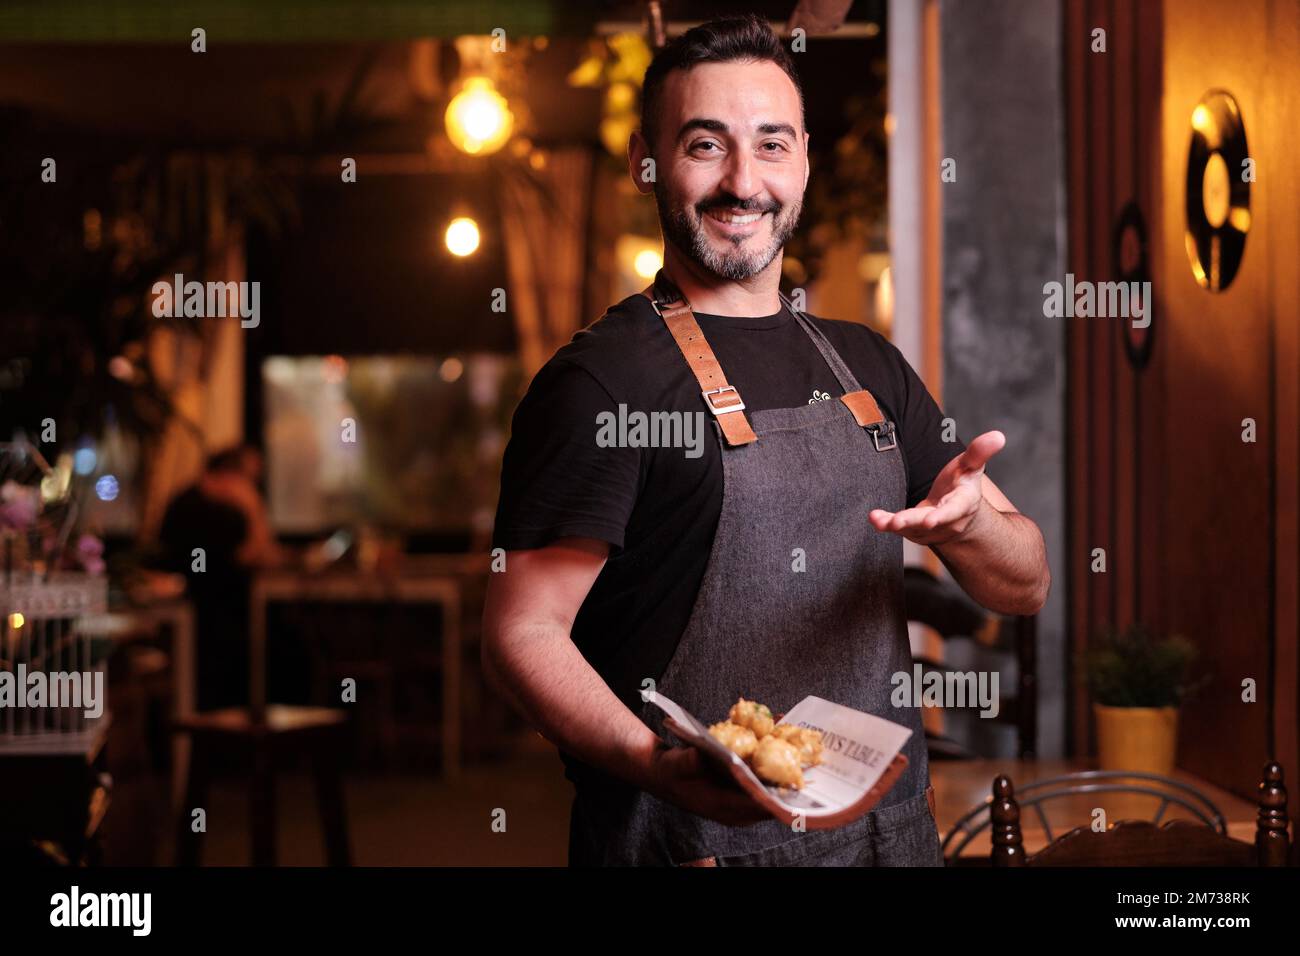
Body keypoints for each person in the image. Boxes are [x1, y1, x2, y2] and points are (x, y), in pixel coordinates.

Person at [482, 15, 1050, 866]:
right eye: (706, 146)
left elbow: (1027, 583)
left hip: (889, 843)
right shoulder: (601, 384)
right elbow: (521, 636)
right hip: (689, 844)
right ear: (649, 160)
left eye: (771, 145)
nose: (743, 183)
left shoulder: (867, 365)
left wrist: (970, 525)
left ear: (805, 161)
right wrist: (656, 765)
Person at [159, 444, 283, 711]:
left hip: (208, 627)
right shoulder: (201, 510)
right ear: (228, 476)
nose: (251, 488)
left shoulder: (198, 502)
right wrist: (252, 507)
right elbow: (260, 556)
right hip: (206, 631)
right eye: (248, 480)